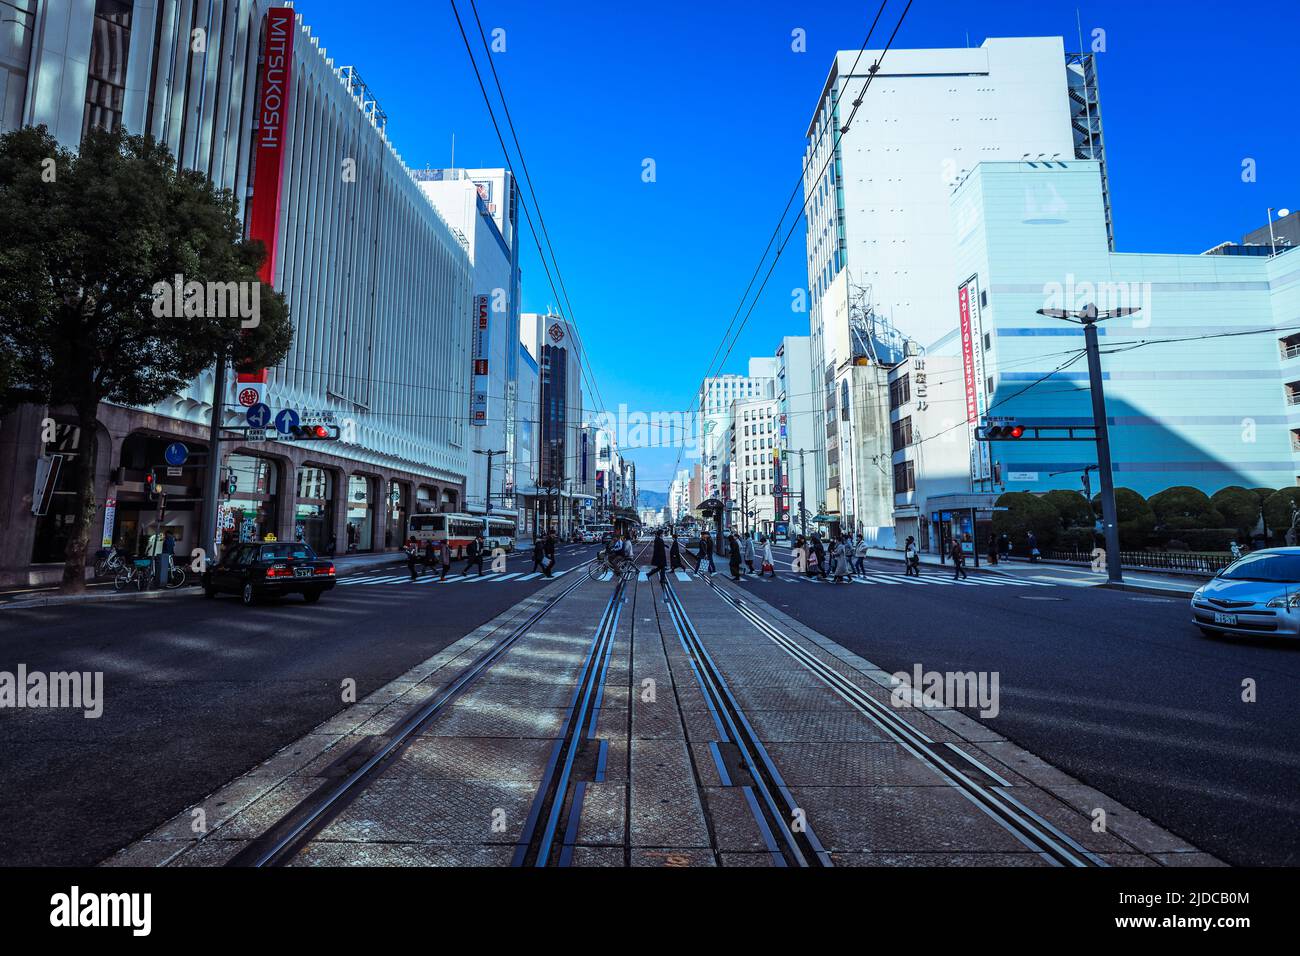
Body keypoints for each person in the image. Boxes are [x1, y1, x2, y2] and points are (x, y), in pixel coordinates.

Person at [143, 524, 164, 589]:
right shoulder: (161, 538)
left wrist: (145, 552)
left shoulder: (152, 538)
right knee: (157, 568)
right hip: (159, 554)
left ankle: (149, 577)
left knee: (150, 566)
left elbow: (148, 546)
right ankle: (155, 580)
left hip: (151, 554)